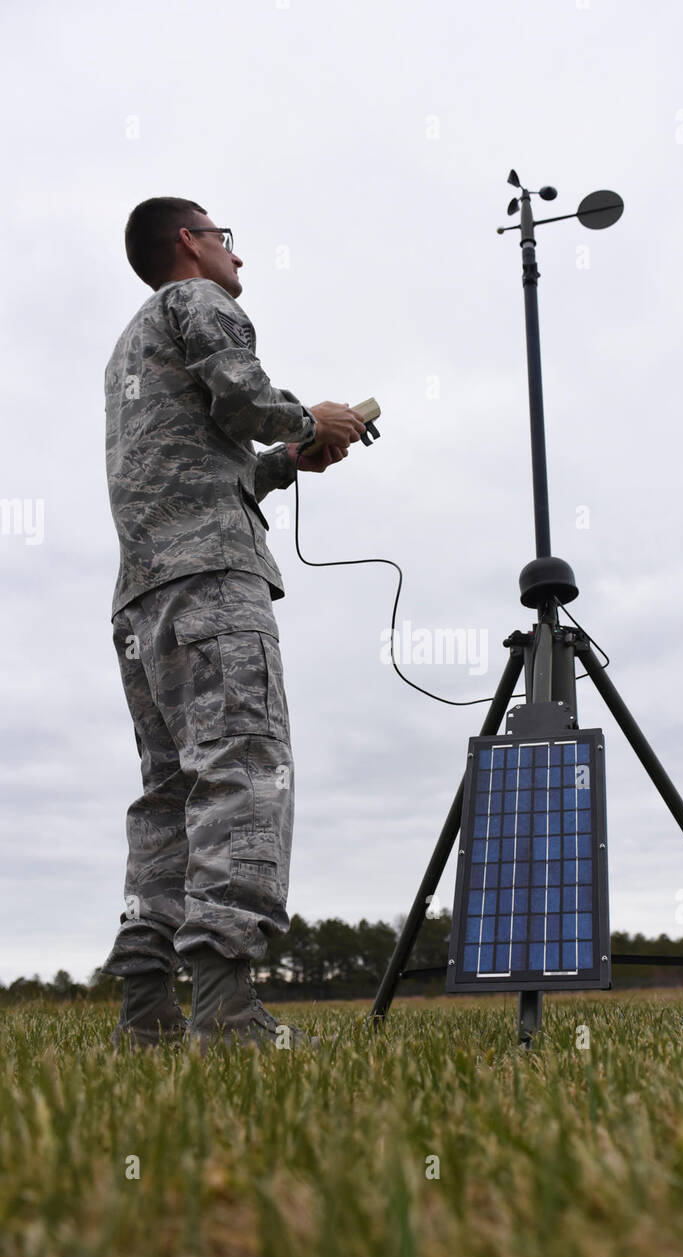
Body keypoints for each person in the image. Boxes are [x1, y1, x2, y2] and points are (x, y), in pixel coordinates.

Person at [100, 196, 364, 1052]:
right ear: (190, 242)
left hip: (143, 600)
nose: (235, 258)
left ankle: (147, 1015)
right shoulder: (202, 302)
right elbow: (246, 401)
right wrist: (309, 421)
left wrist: (287, 461)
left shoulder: (128, 348)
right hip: (214, 584)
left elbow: (213, 464)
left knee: (170, 795)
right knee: (243, 773)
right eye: (224, 239)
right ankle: (226, 1012)